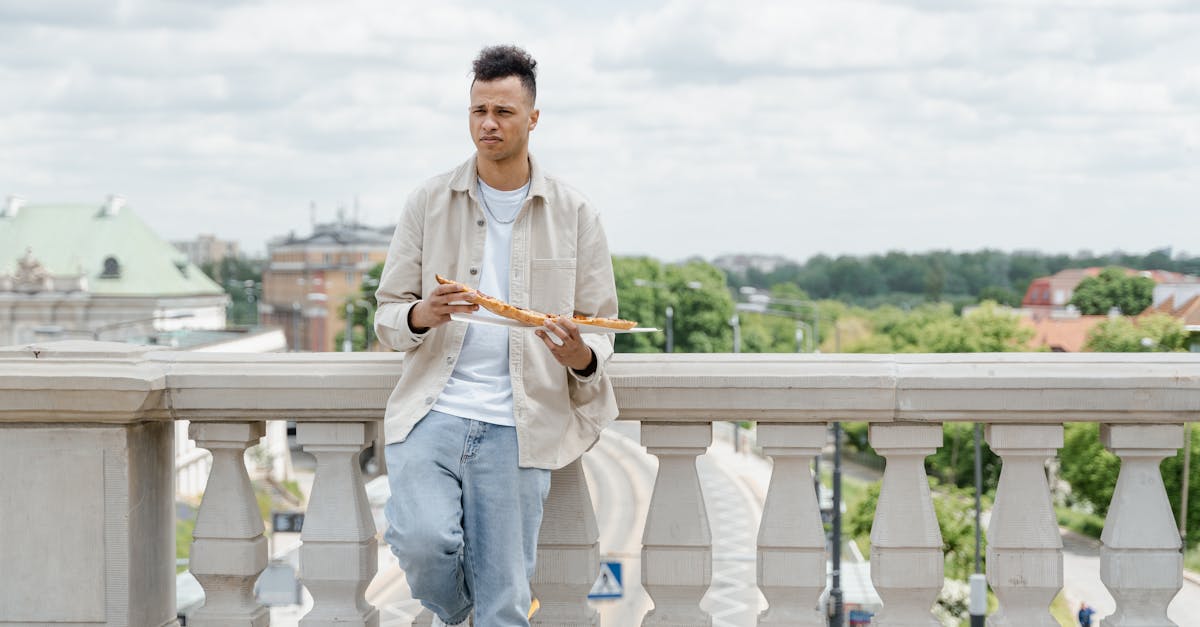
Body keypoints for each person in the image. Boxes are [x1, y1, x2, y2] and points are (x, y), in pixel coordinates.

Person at [373, 45, 620, 627]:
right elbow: (387, 314)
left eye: (504, 111)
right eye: (478, 109)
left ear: (533, 118)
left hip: (522, 424)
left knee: (506, 601)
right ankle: (467, 608)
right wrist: (422, 315)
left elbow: (601, 327)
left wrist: (578, 353)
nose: (488, 123)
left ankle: (489, 609)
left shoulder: (576, 212)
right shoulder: (429, 202)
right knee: (419, 541)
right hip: (431, 411)